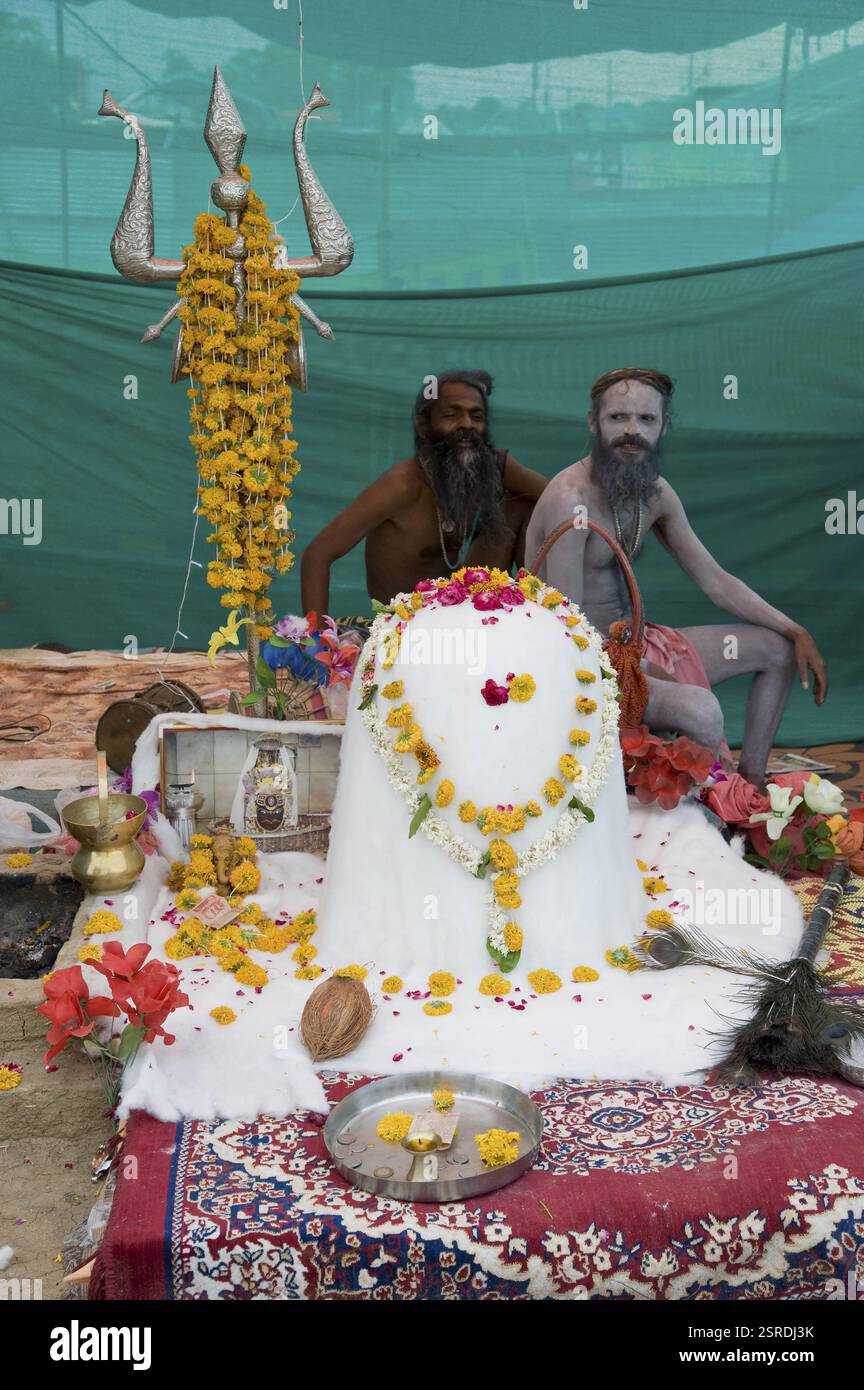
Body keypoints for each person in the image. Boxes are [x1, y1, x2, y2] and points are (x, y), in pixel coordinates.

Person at [524, 366, 827, 784]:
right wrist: (643, 671)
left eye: (646, 419)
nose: (632, 431)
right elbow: (565, 630)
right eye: (618, 418)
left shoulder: (656, 493)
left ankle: (750, 791)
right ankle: (704, 817)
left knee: (777, 649)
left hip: (641, 644)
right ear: (594, 422)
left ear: (663, 427)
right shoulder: (569, 499)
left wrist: (796, 631)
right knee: (701, 710)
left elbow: (716, 581)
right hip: (585, 667)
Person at [300, 370, 547, 616]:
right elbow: (317, 555)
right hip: (409, 624)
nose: (467, 424)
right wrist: (319, 643)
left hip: (468, 608)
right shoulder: (402, 484)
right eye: (451, 415)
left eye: (477, 416)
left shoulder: (495, 466)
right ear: (423, 426)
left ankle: (543, 618)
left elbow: (559, 498)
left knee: (527, 505)